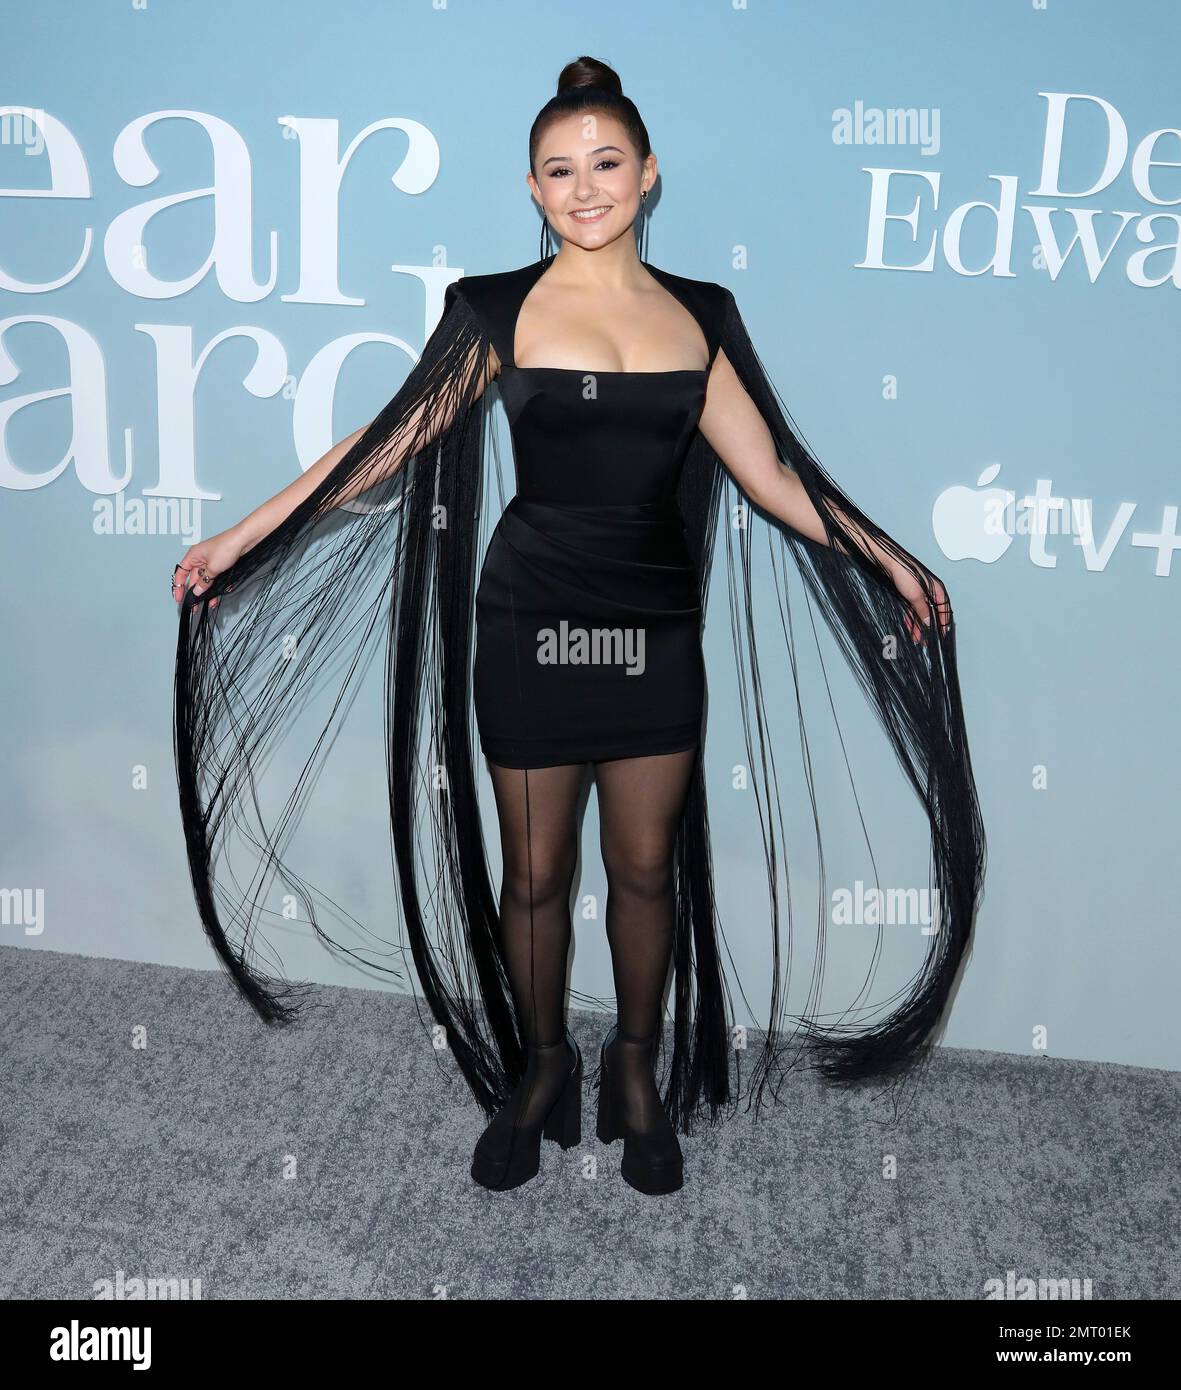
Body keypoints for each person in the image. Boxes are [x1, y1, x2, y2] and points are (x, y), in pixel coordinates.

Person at [171, 56, 985, 1197]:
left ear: (647, 177)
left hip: (650, 624)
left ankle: (636, 1074)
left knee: (644, 869)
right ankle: (542, 1068)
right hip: (530, 621)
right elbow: (376, 450)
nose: (584, 185)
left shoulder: (700, 317)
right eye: (559, 169)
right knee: (535, 874)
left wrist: (888, 556)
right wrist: (242, 537)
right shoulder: (492, 310)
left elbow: (770, 479)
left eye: (605, 162)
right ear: (532, 188)